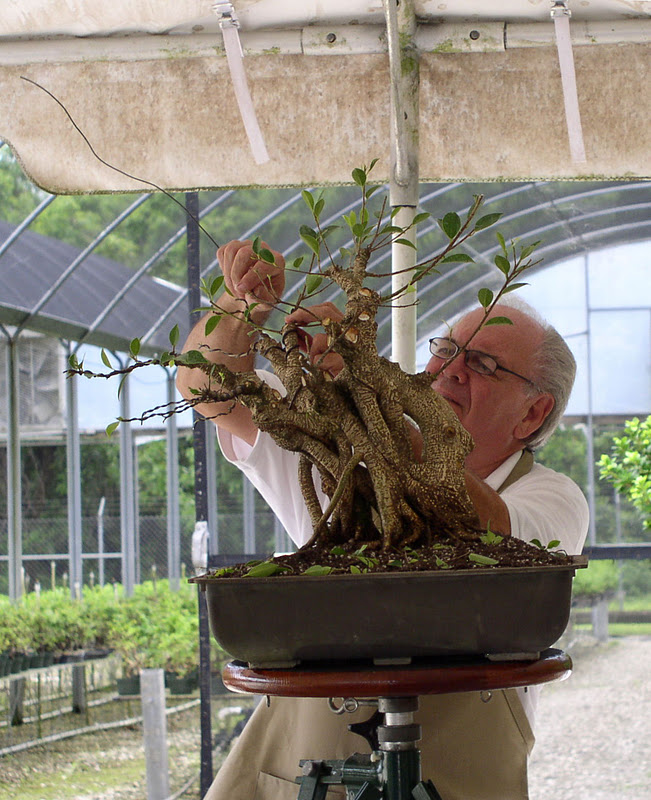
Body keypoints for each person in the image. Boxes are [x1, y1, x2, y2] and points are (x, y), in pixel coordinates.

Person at [177, 239, 589, 800]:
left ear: (535, 412)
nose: (450, 370)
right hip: (304, 768)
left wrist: (370, 392)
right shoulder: (331, 432)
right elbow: (207, 387)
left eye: (484, 363)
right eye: (445, 348)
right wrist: (241, 305)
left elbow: (490, 523)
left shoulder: (553, 498)